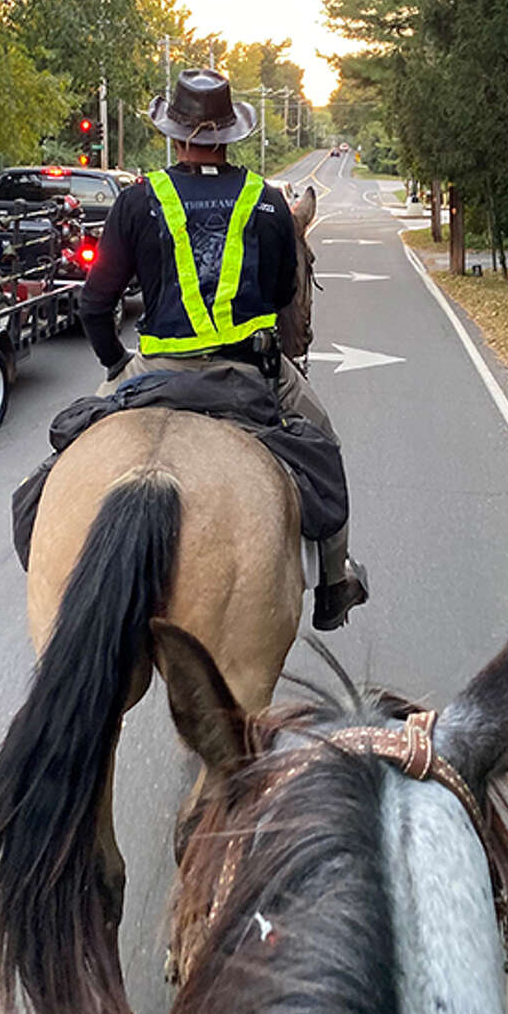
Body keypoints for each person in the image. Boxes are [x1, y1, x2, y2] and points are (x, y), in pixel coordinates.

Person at [79, 68, 368, 632]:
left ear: (174, 134)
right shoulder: (266, 203)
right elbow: (285, 292)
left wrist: (118, 366)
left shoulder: (139, 200)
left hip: (154, 368)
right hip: (252, 370)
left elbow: (95, 306)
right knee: (325, 445)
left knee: (69, 452)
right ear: (231, 134)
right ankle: (334, 583)